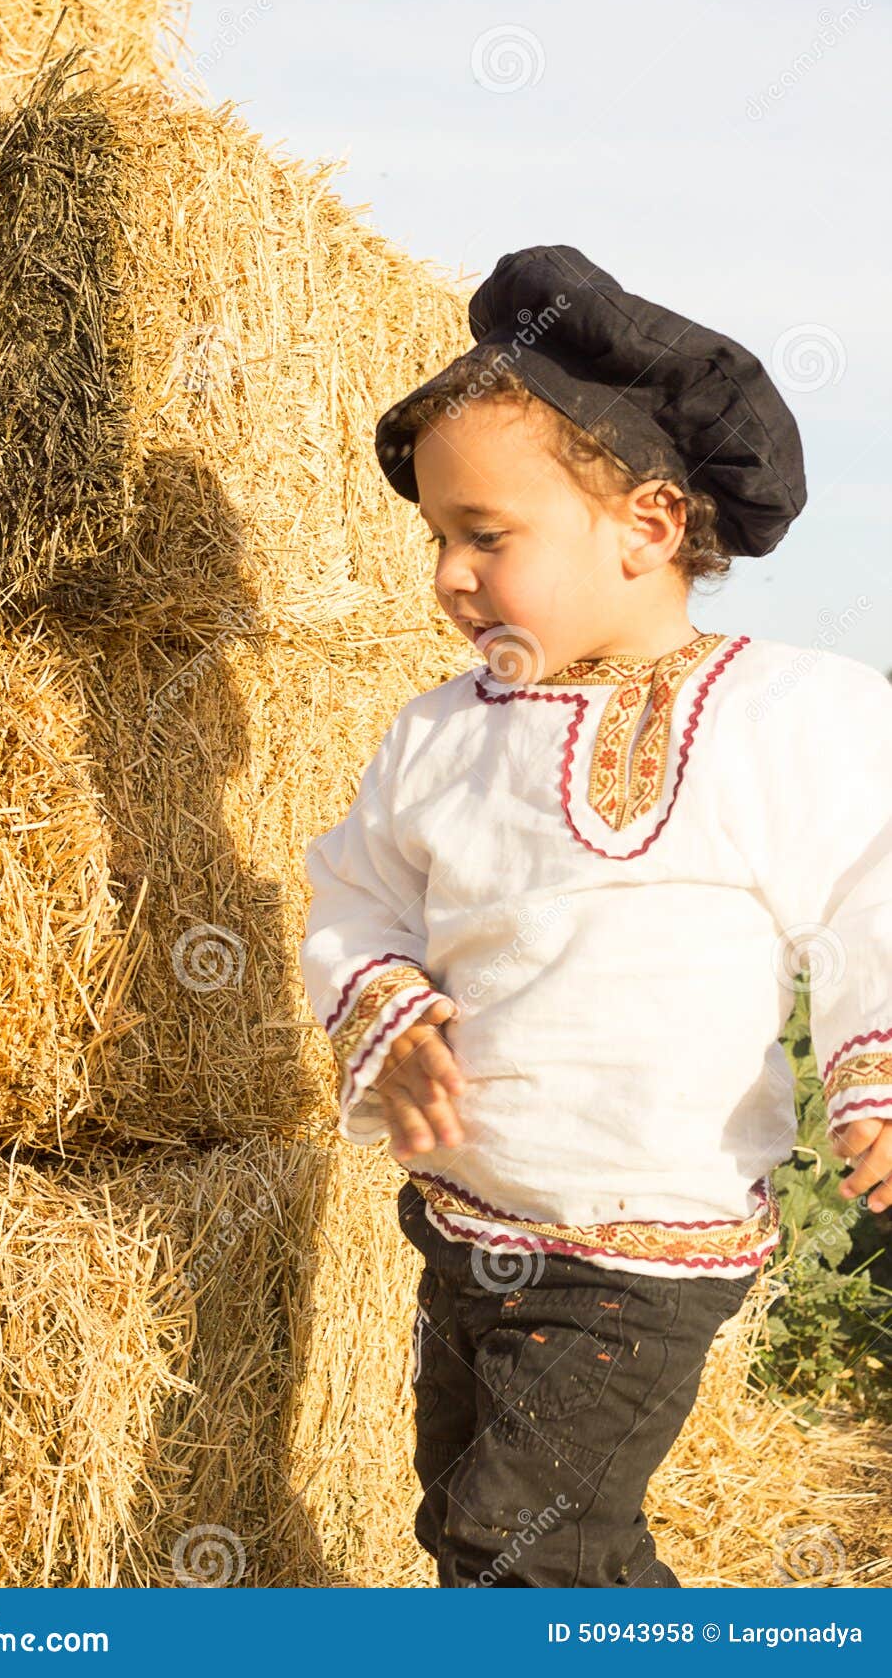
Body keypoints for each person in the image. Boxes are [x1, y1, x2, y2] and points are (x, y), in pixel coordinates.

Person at [299, 244, 892, 1588]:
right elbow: (357, 889)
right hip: (463, 1215)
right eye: (437, 537)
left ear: (647, 526)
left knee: (527, 1544)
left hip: (641, 1240)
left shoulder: (783, 716)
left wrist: (874, 1071)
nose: (449, 574)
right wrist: (386, 1010)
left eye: (487, 536)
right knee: (477, 1526)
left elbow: (876, 885)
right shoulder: (440, 735)